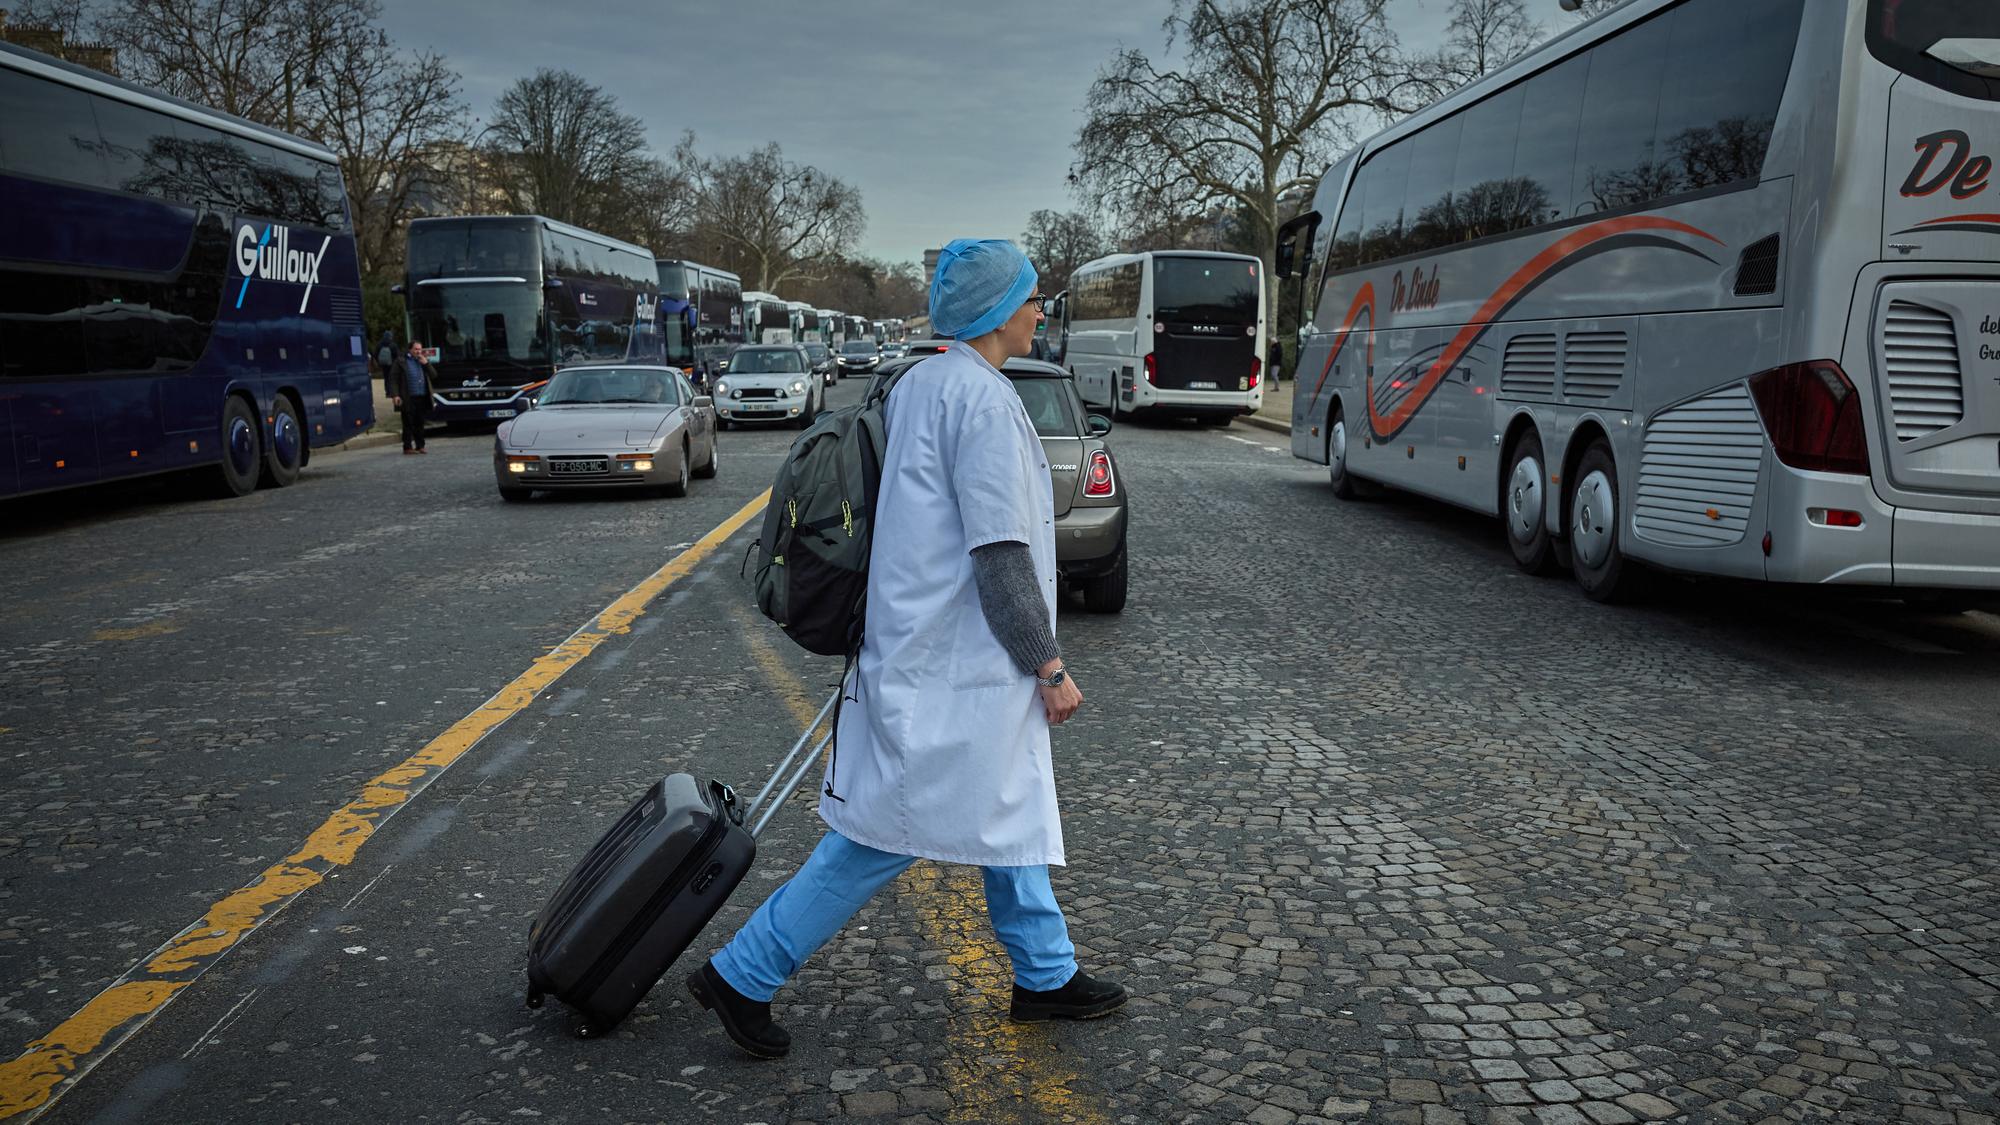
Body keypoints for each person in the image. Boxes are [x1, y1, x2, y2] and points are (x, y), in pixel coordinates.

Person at [687, 239, 1127, 1059]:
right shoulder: (985, 403)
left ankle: (1045, 972)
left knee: (1006, 810)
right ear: (1000, 309)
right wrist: (1050, 665)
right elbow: (1000, 555)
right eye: (1032, 297)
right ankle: (743, 971)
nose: (1041, 311)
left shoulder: (921, 382)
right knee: (878, 837)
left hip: (931, 657)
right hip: (954, 668)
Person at [385, 340, 437, 454]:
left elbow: (434, 375)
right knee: (408, 423)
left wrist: (426, 363)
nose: (418, 351)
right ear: (410, 349)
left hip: (421, 396)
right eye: (416, 349)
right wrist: (395, 395)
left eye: (420, 349)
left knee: (420, 423)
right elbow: (393, 379)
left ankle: (420, 446)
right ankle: (407, 446)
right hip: (407, 397)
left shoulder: (422, 361)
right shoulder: (401, 361)